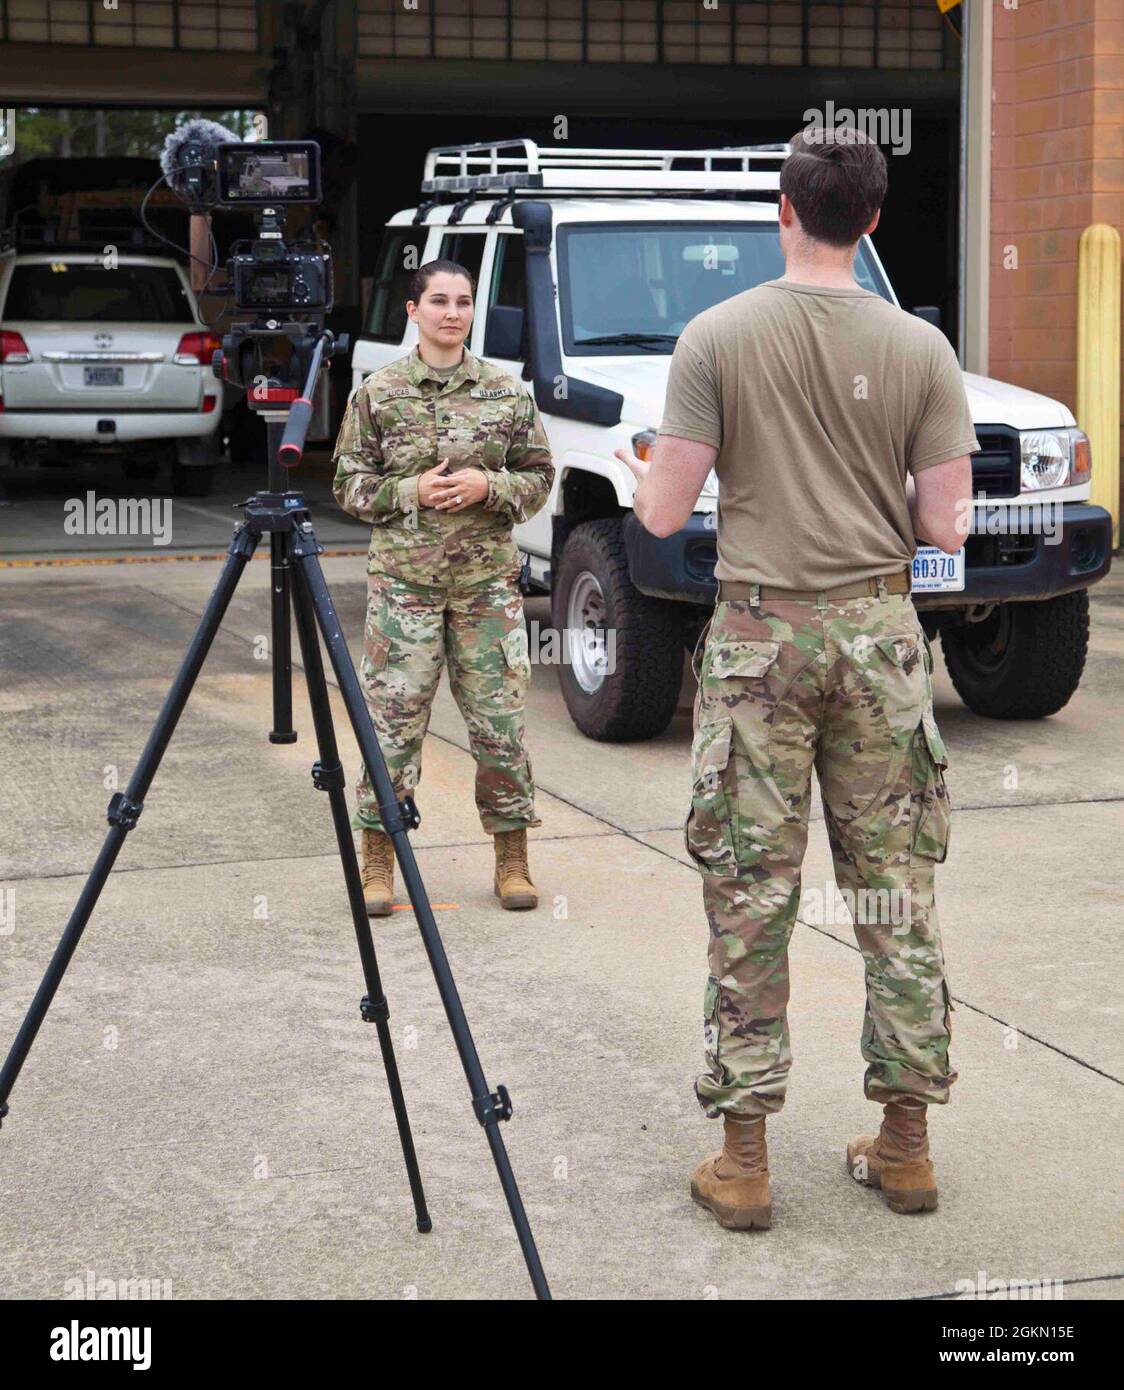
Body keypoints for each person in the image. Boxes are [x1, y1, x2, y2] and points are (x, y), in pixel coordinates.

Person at [618, 124, 976, 1230]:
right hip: (879, 639)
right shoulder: (921, 348)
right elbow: (946, 526)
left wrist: (650, 470)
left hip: (759, 641)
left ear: (782, 210)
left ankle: (744, 1163)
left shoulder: (715, 336)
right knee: (894, 893)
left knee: (749, 897)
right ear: (870, 219)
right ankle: (905, 1148)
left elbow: (663, 514)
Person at [332, 259, 554, 913]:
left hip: (486, 590)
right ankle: (378, 860)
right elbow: (347, 485)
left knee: (499, 728)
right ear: (413, 311)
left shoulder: (505, 392)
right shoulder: (379, 393)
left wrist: (492, 485)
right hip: (405, 590)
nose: (452, 312)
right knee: (392, 730)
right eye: (438, 300)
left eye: (463, 301)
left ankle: (512, 859)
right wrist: (410, 491)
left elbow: (541, 477)